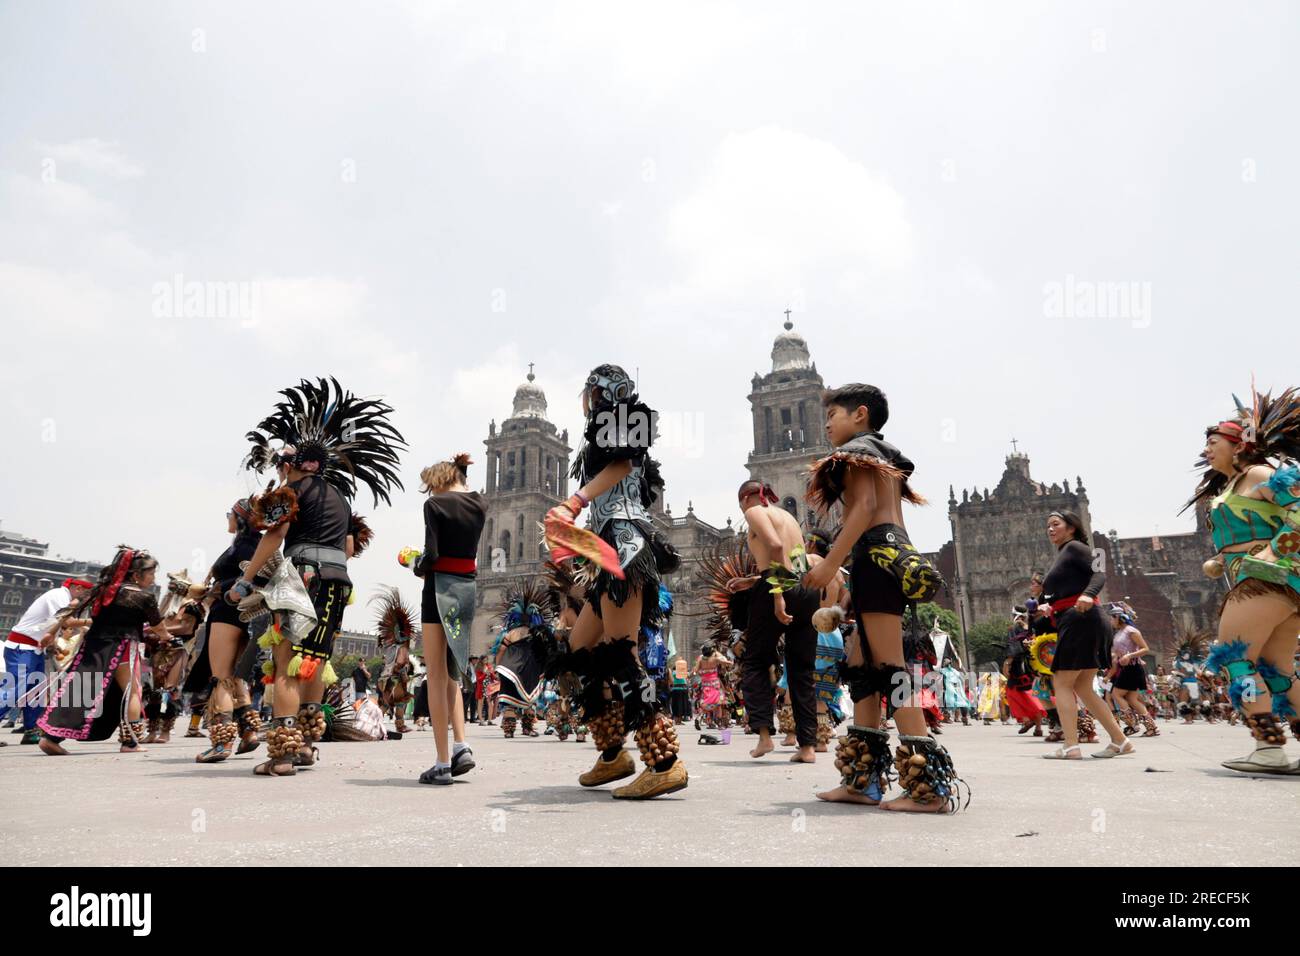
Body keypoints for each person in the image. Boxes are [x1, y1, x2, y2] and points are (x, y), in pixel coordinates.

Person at [232, 377, 405, 776]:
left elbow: (274, 536)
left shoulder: (292, 493)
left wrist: (247, 581)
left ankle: (281, 755)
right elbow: (347, 549)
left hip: (300, 579)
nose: (278, 473)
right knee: (314, 660)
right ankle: (306, 745)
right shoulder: (340, 500)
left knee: (286, 659)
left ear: (290, 464)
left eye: (280, 466)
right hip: (336, 583)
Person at [804, 383, 964, 812]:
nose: (827, 423)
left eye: (832, 415)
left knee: (891, 670)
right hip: (882, 558)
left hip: (875, 557)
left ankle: (929, 788)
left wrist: (827, 563)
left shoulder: (858, 450)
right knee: (861, 668)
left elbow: (864, 508)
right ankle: (862, 780)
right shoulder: (881, 454)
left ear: (859, 414)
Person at [543, 364, 686, 799]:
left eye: (588, 391)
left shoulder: (622, 424)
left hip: (625, 546)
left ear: (600, 393)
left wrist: (573, 501)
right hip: (609, 546)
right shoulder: (605, 430)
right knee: (579, 652)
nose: (583, 398)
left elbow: (623, 465)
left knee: (624, 654)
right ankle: (612, 755)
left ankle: (665, 763)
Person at [1187, 389, 1300, 774]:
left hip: (1265, 581)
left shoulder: (1258, 473)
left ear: (1240, 446)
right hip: (1267, 584)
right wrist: (1222, 559)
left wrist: (1273, 552)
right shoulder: (1235, 485)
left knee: (1236, 657)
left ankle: (1267, 745)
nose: (1206, 451)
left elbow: (1299, 511)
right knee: (1278, 673)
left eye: (1212, 443)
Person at [38, 548, 168, 754]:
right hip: (124, 647)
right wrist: (167, 637)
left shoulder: (104, 589)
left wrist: (50, 633)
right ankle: (130, 742)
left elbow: (70, 609)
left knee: (81, 689)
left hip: (94, 646)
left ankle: (52, 737)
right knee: (132, 692)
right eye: (151, 574)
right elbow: (159, 626)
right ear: (136, 575)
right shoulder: (144, 597)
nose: (153, 579)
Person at [411, 453, 487, 784]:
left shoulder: (435, 506)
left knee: (437, 676)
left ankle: (442, 763)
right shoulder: (480, 504)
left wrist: (416, 565)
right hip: (467, 589)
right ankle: (461, 745)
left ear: (438, 481)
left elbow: (432, 554)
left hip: (438, 588)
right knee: (455, 670)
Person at [736, 479, 820, 762]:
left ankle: (764, 737)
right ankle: (807, 746)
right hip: (805, 589)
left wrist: (776, 595)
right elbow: (792, 562)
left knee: (756, 661)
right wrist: (752, 581)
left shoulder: (755, 511)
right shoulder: (789, 518)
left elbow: (773, 546)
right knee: (801, 668)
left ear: (746, 498)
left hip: (778, 588)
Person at [1039, 511, 1131, 760]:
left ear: (1071, 527)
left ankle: (1071, 745)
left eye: (1055, 524)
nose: (1050, 529)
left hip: (1081, 617)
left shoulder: (1076, 547)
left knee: (1062, 683)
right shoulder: (1064, 554)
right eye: (1047, 525)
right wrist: (1049, 605)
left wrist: (1088, 594)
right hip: (1081, 618)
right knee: (1082, 686)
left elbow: (1099, 573)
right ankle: (1120, 740)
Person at [194, 498, 267, 763]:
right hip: (239, 615)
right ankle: (249, 733)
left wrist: (217, 590)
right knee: (236, 678)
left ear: (241, 518)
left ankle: (222, 743)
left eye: (230, 514)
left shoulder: (246, 545)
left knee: (221, 678)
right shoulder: (255, 544)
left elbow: (251, 579)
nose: (228, 518)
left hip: (228, 613)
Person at [1, 578, 93, 746]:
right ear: (78, 589)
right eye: (85, 599)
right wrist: (92, 621)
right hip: (22, 647)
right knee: (15, 688)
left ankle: (31, 731)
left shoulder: (62, 598)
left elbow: (50, 626)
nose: (84, 604)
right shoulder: (59, 595)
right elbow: (66, 621)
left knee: (36, 692)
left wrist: (53, 646)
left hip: (34, 649)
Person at [1106, 602, 1159, 737]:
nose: (1111, 620)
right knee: (1131, 698)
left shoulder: (1131, 631)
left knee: (1116, 694)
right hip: (1127, 668)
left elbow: (1145, 648)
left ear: (1119, 617)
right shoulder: (1119, 632)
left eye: (1112, 617)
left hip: (1133, 668)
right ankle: (1151, 727)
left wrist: (1130, 655)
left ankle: (1132, 724)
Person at [371, 586, 416, 734]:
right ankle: (398, 725)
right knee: (399, 702)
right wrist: (405, 670)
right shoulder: (401, 647)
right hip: (396, 678)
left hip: (385, 678)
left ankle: (374, 723)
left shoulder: (388, 647)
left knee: (387, 702)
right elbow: (400, 663)